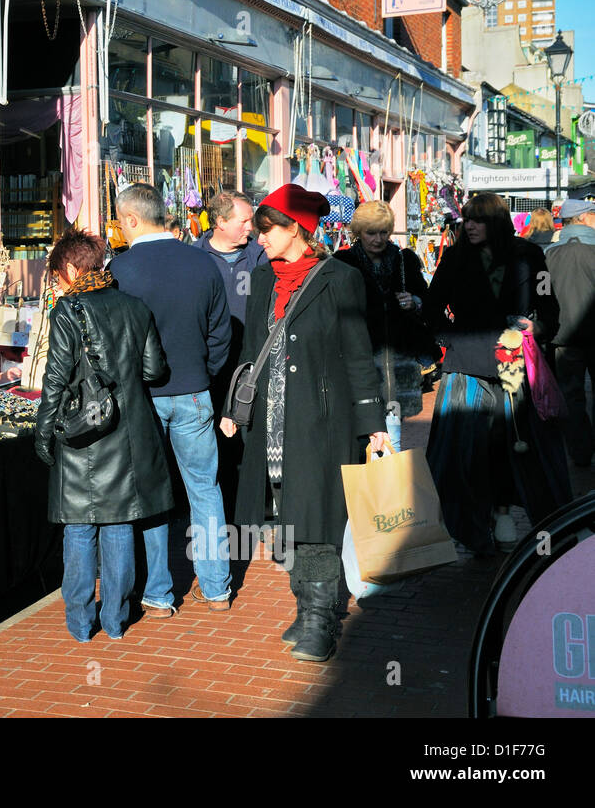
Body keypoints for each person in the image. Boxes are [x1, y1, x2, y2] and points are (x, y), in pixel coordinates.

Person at [219, 184, 388, 663]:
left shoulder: (340, 278)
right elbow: (251, 352)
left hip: (321, 423)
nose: (258, 237)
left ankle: (321, 619)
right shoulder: (261, 279)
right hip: (269, 424)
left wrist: (372, 422)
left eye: (267, 228)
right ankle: (306, 605)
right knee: (283, 518)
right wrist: (236, 409)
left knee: (316, 519)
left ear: (296, 228)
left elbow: (359, 355)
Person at [34, 228, 171, 642]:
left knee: (79, 528)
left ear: (72, 269)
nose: (58, 281)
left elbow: (55, 381)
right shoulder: (135, 306)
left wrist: (43, 432)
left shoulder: (67, 311)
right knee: (118, 526)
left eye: (58, 273)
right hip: (129, 432)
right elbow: (154, 371)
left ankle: (79, 623)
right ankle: (115, 619)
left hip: (81, 435)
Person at [422, 192, 570, 554]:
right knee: (465, 453)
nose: (468, 226)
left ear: (496, 222)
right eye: (467, 220)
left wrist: (539, 328)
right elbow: (432, 304)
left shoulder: (531, 256)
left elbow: (548, 304)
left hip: (515, 367)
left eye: (477, 220)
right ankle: (475, 525)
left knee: (521, 450)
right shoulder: (456, 256)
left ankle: (513, 517)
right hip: (468, 368)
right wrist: (452, 339)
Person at [111, 183, 233, 617]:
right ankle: (217, 586)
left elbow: (113, 343)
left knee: (152, 493)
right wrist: (203, 372)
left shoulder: (121, 270)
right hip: (194, 391)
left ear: (130, 219)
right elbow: (221, 334)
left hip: (143, 398)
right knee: (205, 489)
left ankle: (160, 594)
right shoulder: (203, 263)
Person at [196, 191, 268, 509]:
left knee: (251, 434)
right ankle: (223, 501)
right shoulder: (194, 258)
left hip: (252, 362)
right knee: (216, 438)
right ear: (221, 222)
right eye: (244, 220)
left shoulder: (258, 256)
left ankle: (252, 500)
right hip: (210, 367)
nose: (250, 227)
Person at [334, 201, 435, 421]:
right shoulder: (343, 262)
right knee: (361, 426)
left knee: (394, 430)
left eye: (383, 232)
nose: (378, 239)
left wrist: (415, 301)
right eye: (371, 233)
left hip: (398, 360)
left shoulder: (404, 259)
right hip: (360, 358)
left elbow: (427, 298)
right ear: (359, 232)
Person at [546, 197, 595, 468]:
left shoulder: (549, 254)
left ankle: (580, 451)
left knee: (571, 396)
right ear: (584, 218)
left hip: (562, 338)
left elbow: (542, 295)